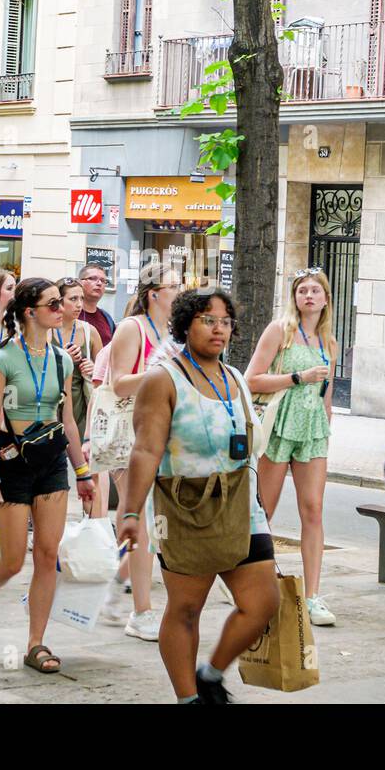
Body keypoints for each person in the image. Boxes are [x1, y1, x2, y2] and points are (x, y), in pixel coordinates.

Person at [117, 287, 277, 703]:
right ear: (185, 324)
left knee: (262, 604)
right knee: (186, 609)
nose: (219, 329)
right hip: (185, 507)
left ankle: (210, 674)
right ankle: (188, 698)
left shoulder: (235, 377)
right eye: (208, 319)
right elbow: (146, 449)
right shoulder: (162, 379)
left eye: (225, 321)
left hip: (241, 505)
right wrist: (130, 512)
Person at [0, 278, 94, 672]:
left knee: (47, 555)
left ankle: (36, 643)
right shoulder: (4, 359)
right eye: (54, 303)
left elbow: (66, 418)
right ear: (30, 311)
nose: (62, 309)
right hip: (12, 461)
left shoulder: (62, 359)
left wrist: (82, 471)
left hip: (51, 462)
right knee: (14, 561)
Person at [245, 268, 338, 626]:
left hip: (313, 428)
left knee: (313, 509)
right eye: (302, 291)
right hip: (279, 425)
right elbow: (251, 378)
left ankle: (313, 595)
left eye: (315, 291)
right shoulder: (279, 331)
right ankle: (252, 582)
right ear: (294, 297)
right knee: (263, 510)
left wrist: (328, 422)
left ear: (326, 298)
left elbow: (326, 393)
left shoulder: (328, 341)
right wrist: (297, 377)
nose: (309, 296)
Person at [98, 262, 182, 641]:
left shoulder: (171, 332)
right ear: (154, 293)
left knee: (147, 519)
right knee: (141, 517)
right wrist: (159, 372)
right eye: (173, 286)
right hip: (126, 433)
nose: (179, 291)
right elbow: (118, 384)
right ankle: (141, 613)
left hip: (157, 429)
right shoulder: (132, 328)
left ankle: (113, 588)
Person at [55, 277, 103, 451]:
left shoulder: (89, 331)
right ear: (59, 301)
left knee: (83, 462)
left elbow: (105, 372)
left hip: (81, 406)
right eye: (73, 299)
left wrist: (93, 368)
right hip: (51, 406)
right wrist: (63, 359)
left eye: (81, 298)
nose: (79, 304)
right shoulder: (47, 330)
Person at [78, 264, 116, 344]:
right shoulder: (69, 314)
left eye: (103, 280)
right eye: (93, 278)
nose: (99, 283)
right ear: (80, 282)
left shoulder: (107, 318)